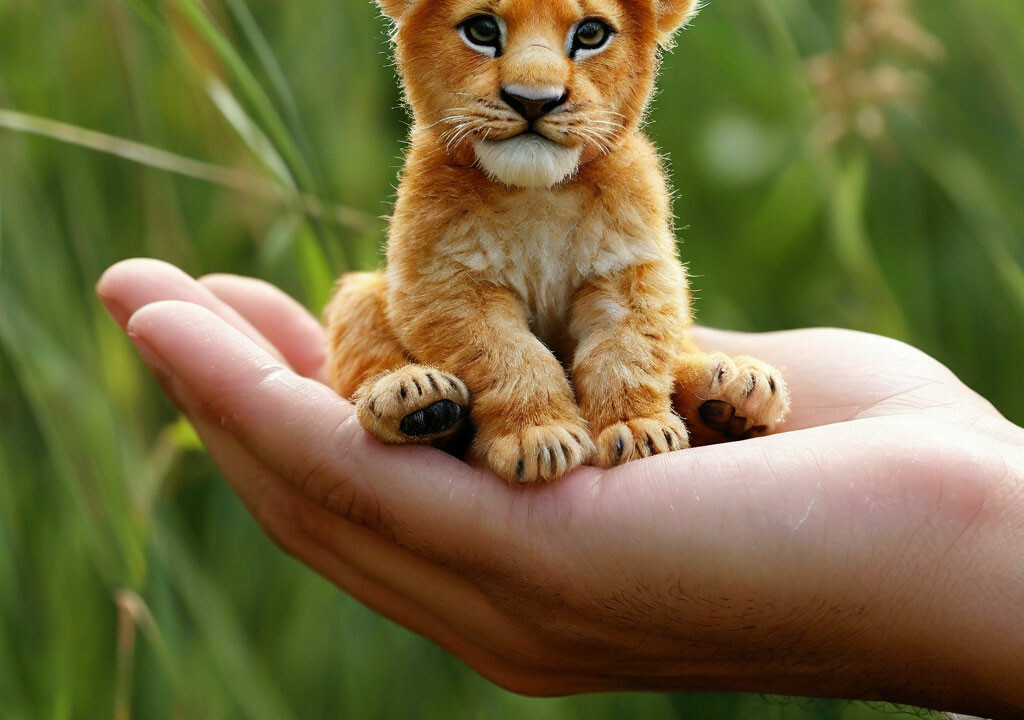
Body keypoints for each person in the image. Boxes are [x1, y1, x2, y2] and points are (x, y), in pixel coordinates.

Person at [96, 258, 1024, 718]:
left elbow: (643, 295)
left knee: (634, 302)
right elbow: (439, 291)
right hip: (465, 356)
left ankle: (687, 397)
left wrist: (957, 531)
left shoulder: (617, 170)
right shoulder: (446, 175)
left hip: (600, 365)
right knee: (366, 298)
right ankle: (426, 403)